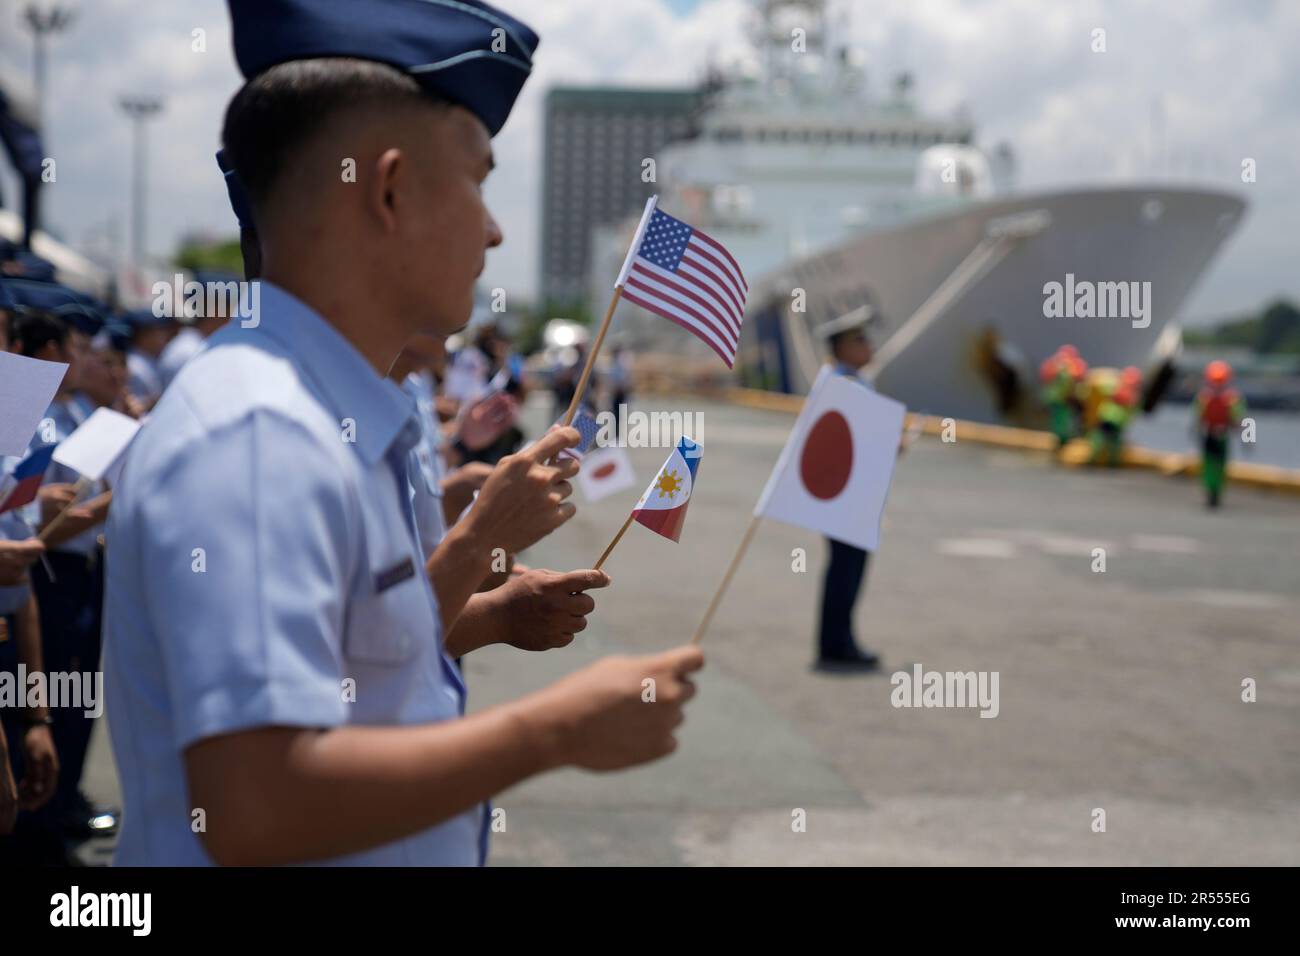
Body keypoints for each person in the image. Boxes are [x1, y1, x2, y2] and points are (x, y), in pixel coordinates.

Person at [102, 0, 704, 867]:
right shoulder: (261, 432)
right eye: (478, 178)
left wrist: (488, 613)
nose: (494, 229)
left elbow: (353, 670)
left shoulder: (327, 414)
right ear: (387, 190)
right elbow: (258, 805)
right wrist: (554, 729)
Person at [813, 308, 883, 673]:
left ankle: (840, 640)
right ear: (842, 347)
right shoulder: (843, 384)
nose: (869, 345)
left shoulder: (848, 380)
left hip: (851, 492)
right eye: (860, 340)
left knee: (846, 568)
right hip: (845, 496)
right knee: (846, 569)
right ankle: (837, 644)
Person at [1195, 360, 1246, 508]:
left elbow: (1198, 418)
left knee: (1209, 464)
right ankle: (1215, 491)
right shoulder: (1233, 398)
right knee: (1219, 465)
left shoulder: (1204, 396)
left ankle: (1210, 490)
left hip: (1209, 434)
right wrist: (1247, 439)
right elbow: (1241, 420)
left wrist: (1197, 433)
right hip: (1222, 435)